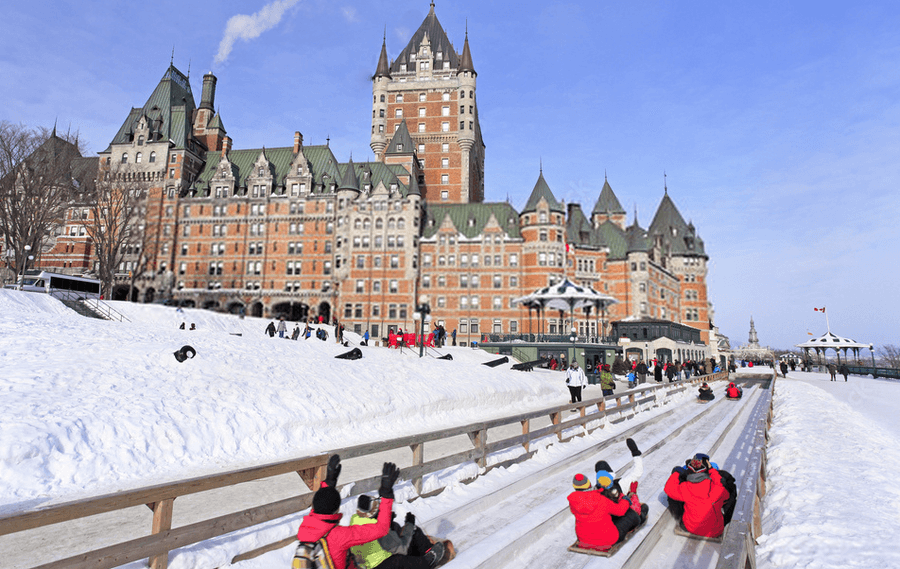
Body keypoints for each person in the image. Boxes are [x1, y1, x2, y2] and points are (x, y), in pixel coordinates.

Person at [295, 456, 401, 569]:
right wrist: (386, 493)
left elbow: (319, 509)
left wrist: (329, 482)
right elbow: (382, 528)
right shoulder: (339, 536)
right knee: (400, 561)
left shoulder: (306, 529)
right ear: (336, 509)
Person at [568, 438, 647, 551]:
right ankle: (641, 517)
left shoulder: (591, 493)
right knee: (635, 513)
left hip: (588, 535)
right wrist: (636, 453)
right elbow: (637, 472)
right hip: (608, 532)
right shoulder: (618, 485)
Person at [349, 496, 446, 568]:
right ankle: (427, 561)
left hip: (365, 564)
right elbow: (402, 548)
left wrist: (388, 521)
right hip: (382, 563)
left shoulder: (355, 519)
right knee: (412, 537)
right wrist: (409, 524)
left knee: (396, 528)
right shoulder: (378, 528)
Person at [664, 454, 734, 539]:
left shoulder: (685, 487)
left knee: (673, 496)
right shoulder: (716, 488)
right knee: (731, 495)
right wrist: (712, 470)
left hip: (690, 528)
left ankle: (680, 518)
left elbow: (668, 488)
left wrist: (676, 473)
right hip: (714, 531)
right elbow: (725, 493)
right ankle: (723, 519)